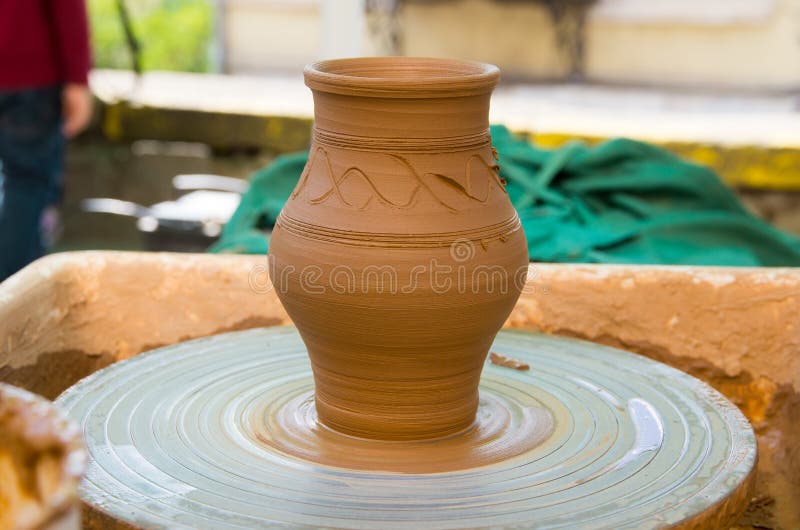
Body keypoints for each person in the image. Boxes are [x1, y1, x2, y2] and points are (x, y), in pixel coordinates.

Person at [0, 0, 93, 282]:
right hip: (28, 75)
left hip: (25, 74)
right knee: (27, 187)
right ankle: (13, 302)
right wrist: (77, 77)